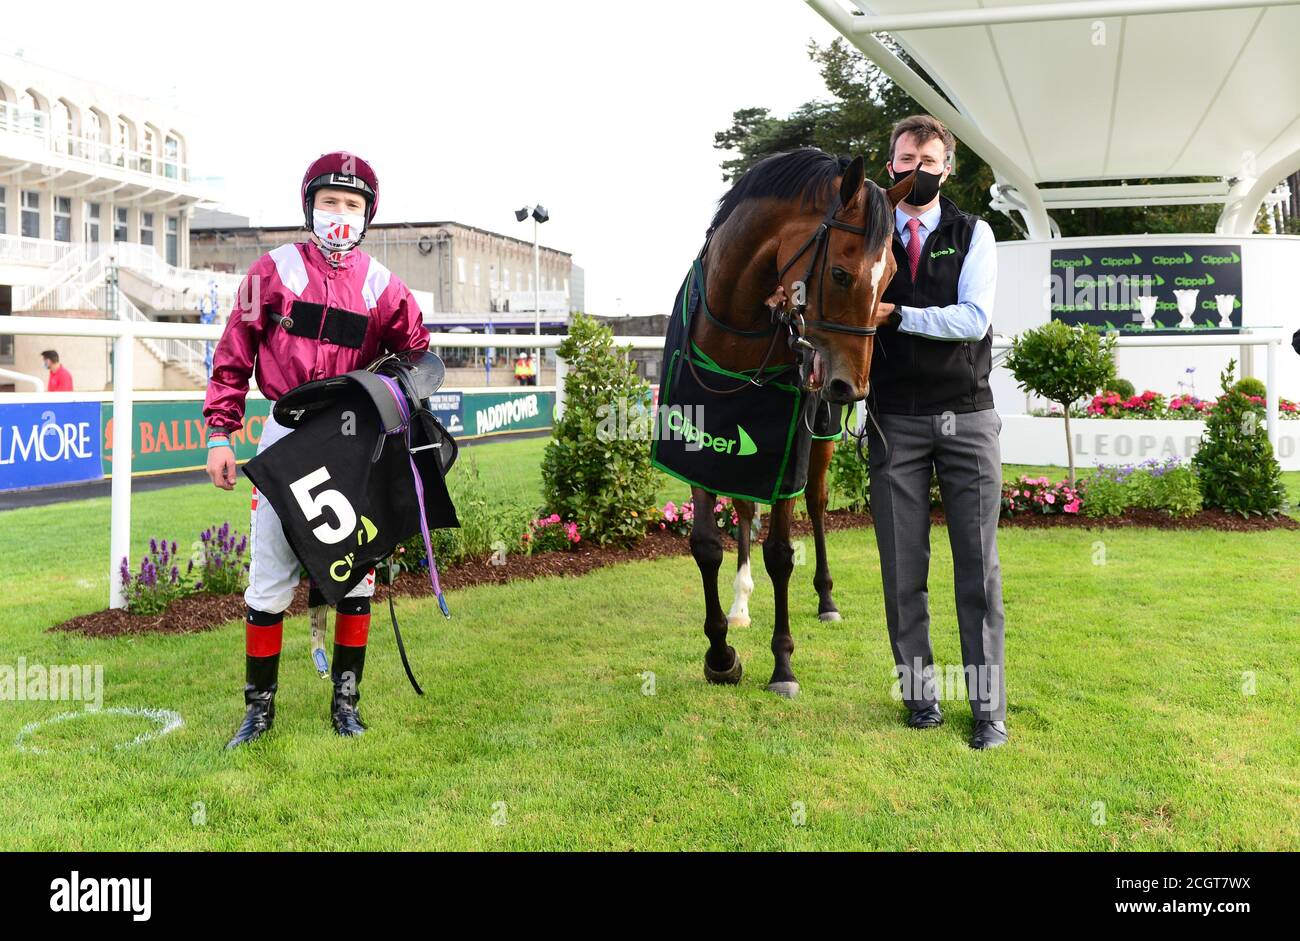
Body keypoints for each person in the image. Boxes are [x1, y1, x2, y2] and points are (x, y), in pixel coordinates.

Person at [203, 151, 430, 749]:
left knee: (355, 572)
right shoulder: (269, 272)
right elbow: (232, 355)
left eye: (352, 205)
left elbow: (418, 359)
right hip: (283, 433)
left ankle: (346, 704)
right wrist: (220, 434)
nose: (340, 215)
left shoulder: (384, 286)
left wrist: (393, 404)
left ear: (367, 215)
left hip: (352, 444)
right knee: (271, 571)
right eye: (330, 202)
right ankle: (259, 712)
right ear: (309, 207)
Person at [866, 115, 1007, 750]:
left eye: (927, 160)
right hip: (893, 418)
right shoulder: (867, 235)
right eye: (904, 159)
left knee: (976, 570)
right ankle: (920, 698)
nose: (915, 169)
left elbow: (975, 320)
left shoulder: (973, 233)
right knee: (903, 569)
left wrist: (898, 315)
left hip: (967, 414)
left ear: (946, 168)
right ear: (889, 165)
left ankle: (987, 710)